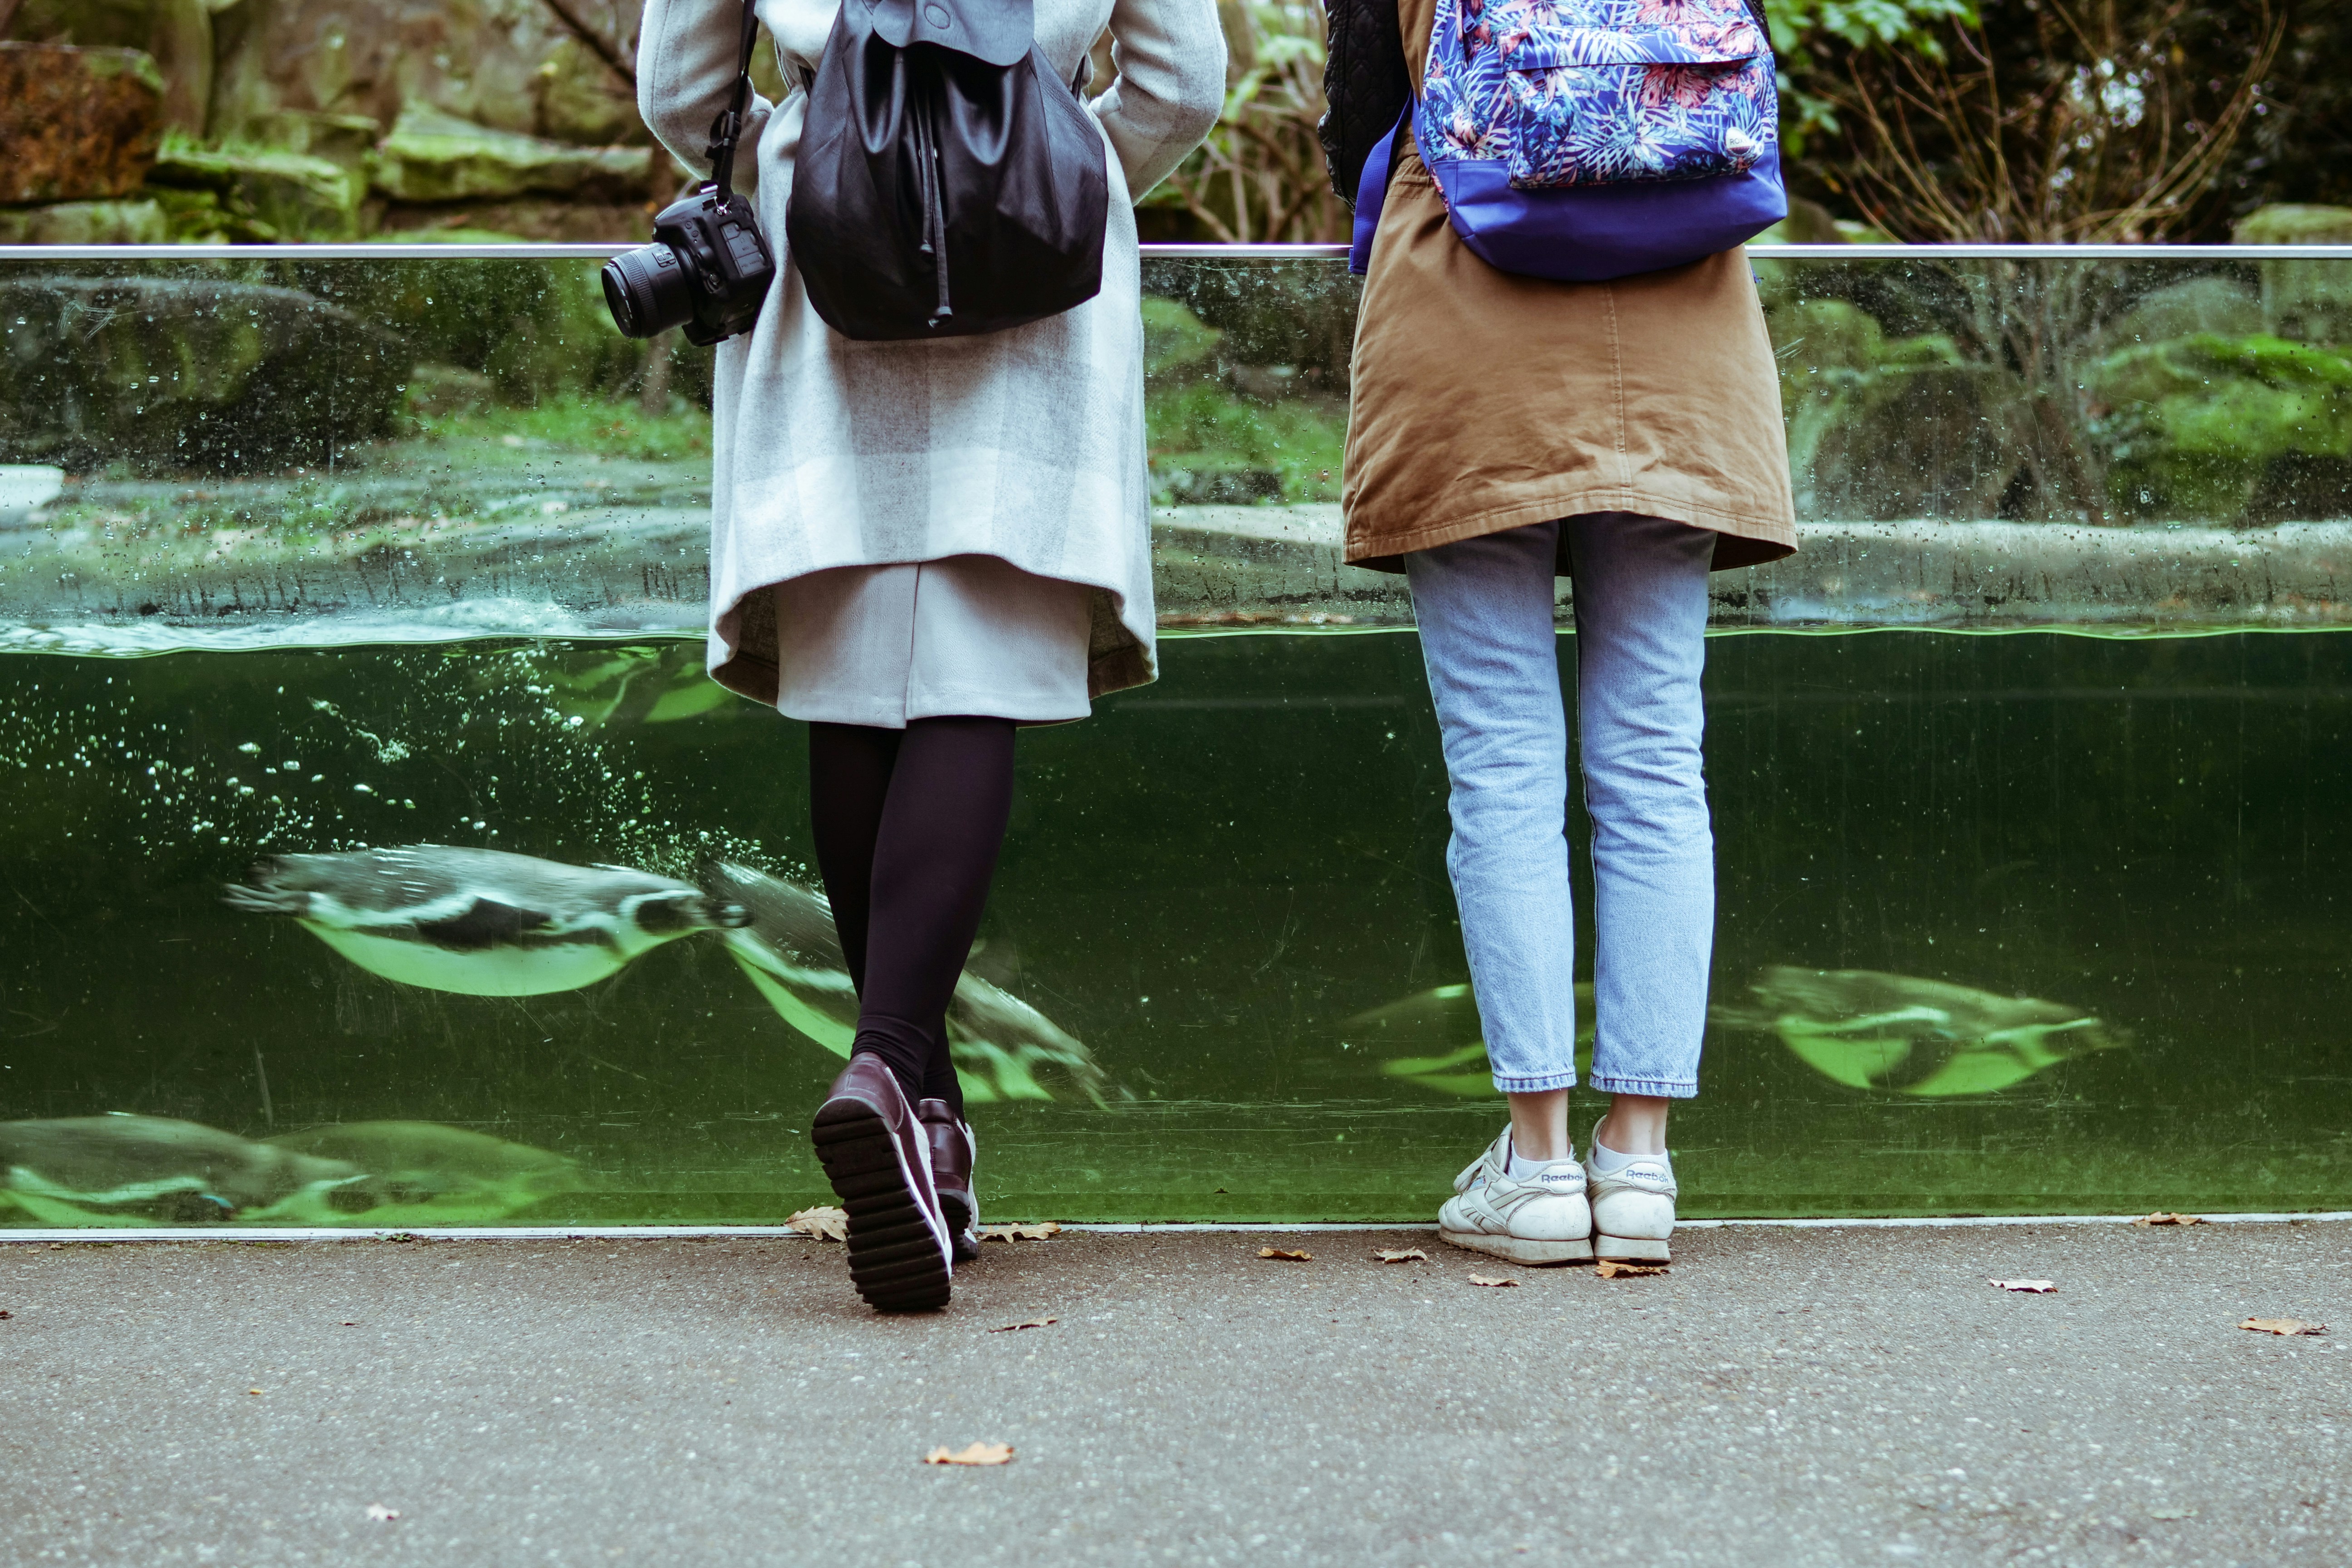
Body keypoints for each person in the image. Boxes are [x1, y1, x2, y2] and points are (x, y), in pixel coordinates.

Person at [638, 0, 1224, 1311]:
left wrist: (841, 152)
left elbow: (686, 92)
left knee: (856, 686)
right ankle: (898, 1071)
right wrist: (1033, 165)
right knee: (978, 672)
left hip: (824, 241)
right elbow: (1183, 83)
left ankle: (922, 1122)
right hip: (1041, 264)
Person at [1320, 0, 1798, 1264]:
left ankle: (1535, 1168)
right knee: (1653, 760)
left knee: (1504, 768)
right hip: (1686, 338)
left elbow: (1358, 123)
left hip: (1468, 330)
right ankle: (1638, 1165)